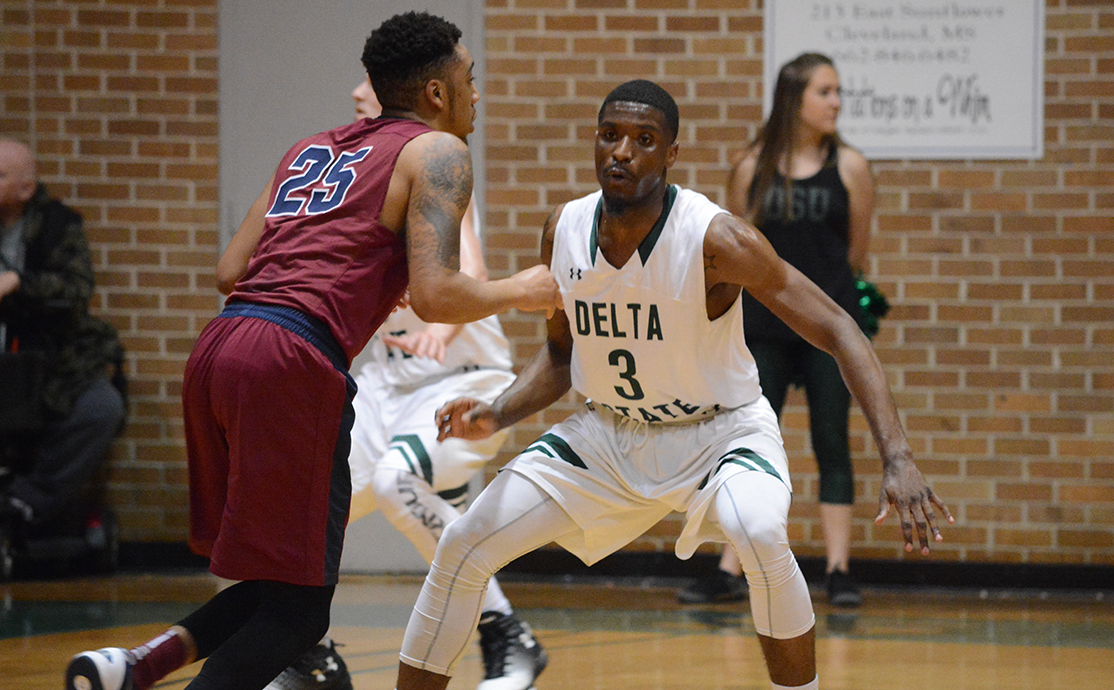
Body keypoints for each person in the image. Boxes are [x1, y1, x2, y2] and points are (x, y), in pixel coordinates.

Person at [392, 79, 951, 690]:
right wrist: (498, 413)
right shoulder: (565, 229)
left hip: (720, 434)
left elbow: (841, 328)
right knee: (463, 543)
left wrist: (897, 456)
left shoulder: (718, 239)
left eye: (643, 140)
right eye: (610, 136)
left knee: (759, 532)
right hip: (607, 435)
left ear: (670, 154)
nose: (622, 153)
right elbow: (560, 356)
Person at [64, 12, 559, 690]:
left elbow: (228, 271)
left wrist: (356, 279)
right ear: (439, 94)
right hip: (288, 361)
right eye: (472, 81)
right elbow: (440, 294)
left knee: (282, 590)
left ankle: (138, 667)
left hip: (219, 348)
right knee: (298, 613)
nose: (478, 95)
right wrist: (525, 290)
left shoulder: (307, 149)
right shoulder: (436, 151)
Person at [263, 79, 547, 690]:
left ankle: (505, 630)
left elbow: (468, 270)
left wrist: (440, 331)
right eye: (356, 101)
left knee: (396, 481)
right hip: (388, 384)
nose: (358, 104)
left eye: (369, 99)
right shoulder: (350, 183)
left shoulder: (435, 167)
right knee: (303, 512)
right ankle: (313, 655)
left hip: (460, 379)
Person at [678, 52, 875, 608]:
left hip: (829, 326)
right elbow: (734, 253)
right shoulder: (750, 168)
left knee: (832, 439)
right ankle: (729, 568)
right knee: (748, 440)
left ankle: (838, 569)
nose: (836, 102)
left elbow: (858, 253)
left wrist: (830, 304)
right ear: (795, 98)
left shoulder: (853, 167)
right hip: (762, 327)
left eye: (838, 92)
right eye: (826, 91)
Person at [0, 137, 126, 528]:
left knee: (102, 408)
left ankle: (27, 500)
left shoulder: (58, 224)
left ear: (25, 189)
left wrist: (17, 282)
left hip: (51, 362)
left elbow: (76, 289)